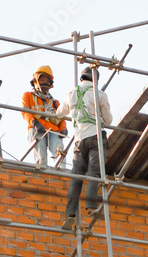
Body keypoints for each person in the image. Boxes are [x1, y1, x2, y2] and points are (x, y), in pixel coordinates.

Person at [57, 66, 112, 231]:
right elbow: (108, 121)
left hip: (79, 140)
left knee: (76, 177)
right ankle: (90, 206)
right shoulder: (100, 94)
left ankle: (69, 215)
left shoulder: (70, 94)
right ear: (95, 80)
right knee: (94, 173)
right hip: (95, 138)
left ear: (81, 78)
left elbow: (59, 114)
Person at [22, 65, 67, 168]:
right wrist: (35, 123)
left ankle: (62, 178)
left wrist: (63, 129)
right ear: (36, 81)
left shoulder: (55, 102)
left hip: (53, 130)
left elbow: (61, 118)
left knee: (60, 153)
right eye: (42, 80)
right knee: (41, 158)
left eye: (47, 81)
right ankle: (42, 178)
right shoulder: (28, 96)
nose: (45, 84)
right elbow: (25, 112)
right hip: (37, 129)